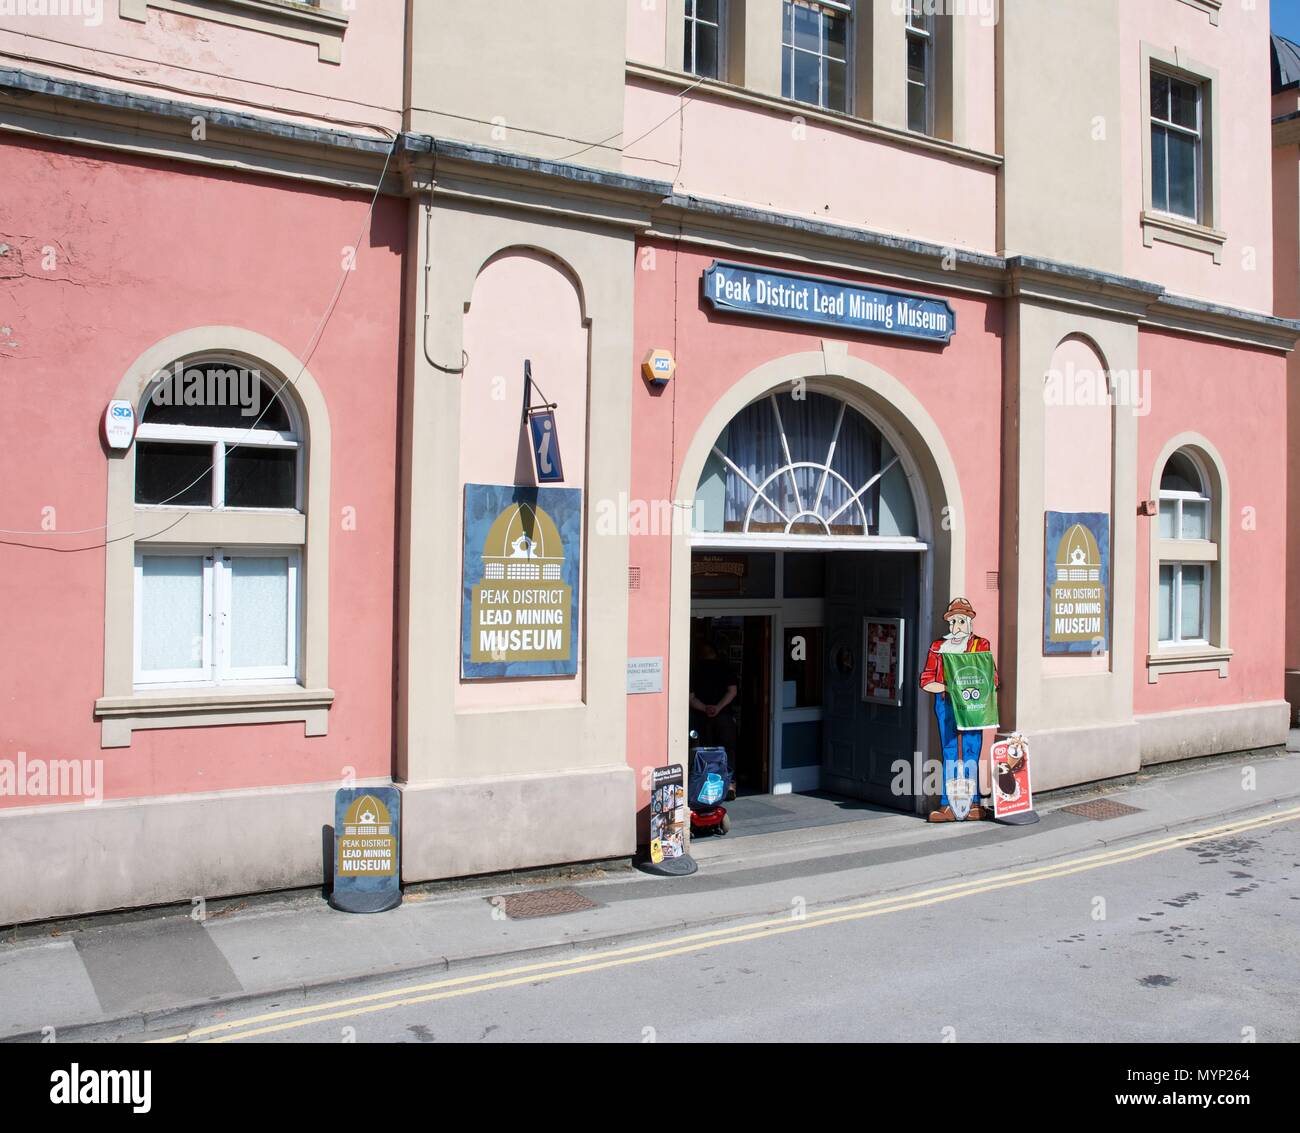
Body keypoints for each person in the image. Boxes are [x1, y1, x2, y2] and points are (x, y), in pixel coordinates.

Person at [919, 597, 998, 822]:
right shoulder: (938, 647)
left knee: (972, 752)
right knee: (951, 753)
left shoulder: (980, 645)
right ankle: (949, 805)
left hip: (974, 705)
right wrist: (949, 687)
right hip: (947, 704)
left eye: (961, 622)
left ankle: (972, 803)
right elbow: (927, 680)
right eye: (952, 623)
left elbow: (990, 676)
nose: (956, 628)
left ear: (969, 622)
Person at [689, 636, 739, 798]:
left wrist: (705, 708)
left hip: (702, 717)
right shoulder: (725, 668)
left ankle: (705, 784)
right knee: (727, 751)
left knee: (704, 751)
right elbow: (732, 691)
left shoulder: (695, 669)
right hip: (723, 716)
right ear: (716, 653)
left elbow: (690, 697)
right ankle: (729, 784)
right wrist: (718, 708)